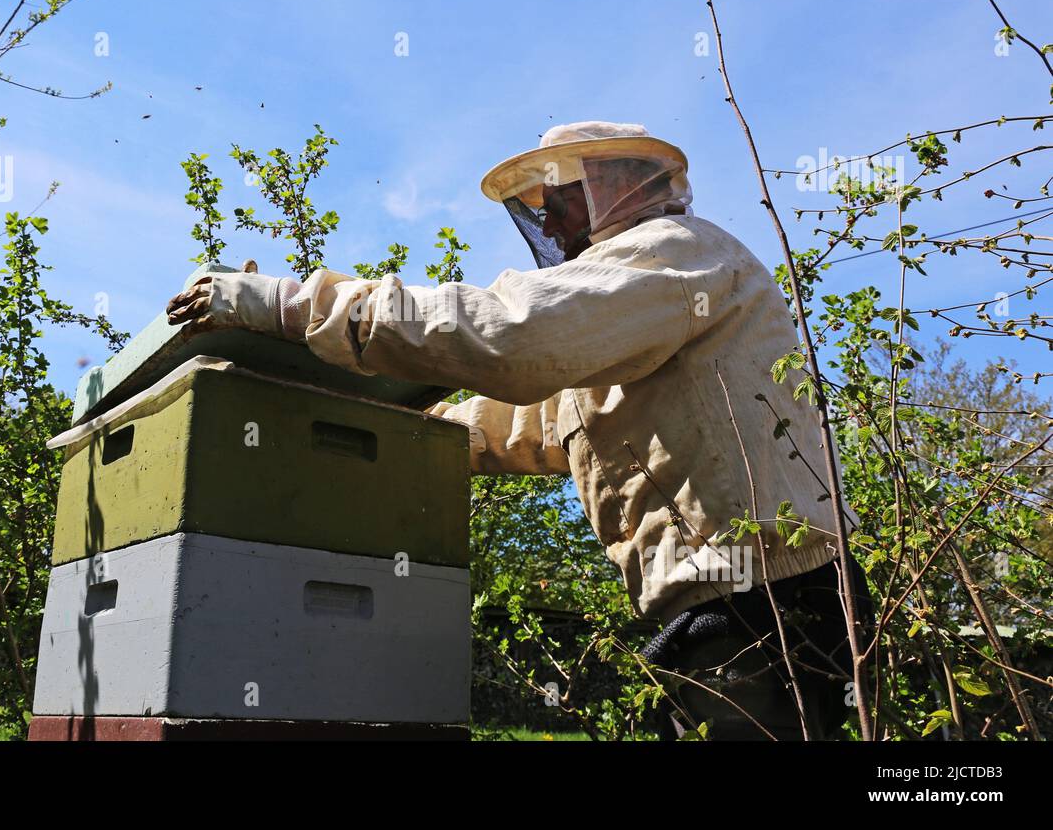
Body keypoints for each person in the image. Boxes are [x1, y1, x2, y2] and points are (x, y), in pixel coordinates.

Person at [166, 121, 870, 739]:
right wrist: (390, 430)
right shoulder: (628, 320)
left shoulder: (672, 253)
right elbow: (531, 423)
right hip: (737, 607)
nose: (553, 229)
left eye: (558, 206)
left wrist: (290, 304)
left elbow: (512, 336)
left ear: (615, 188)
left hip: (772, 600)